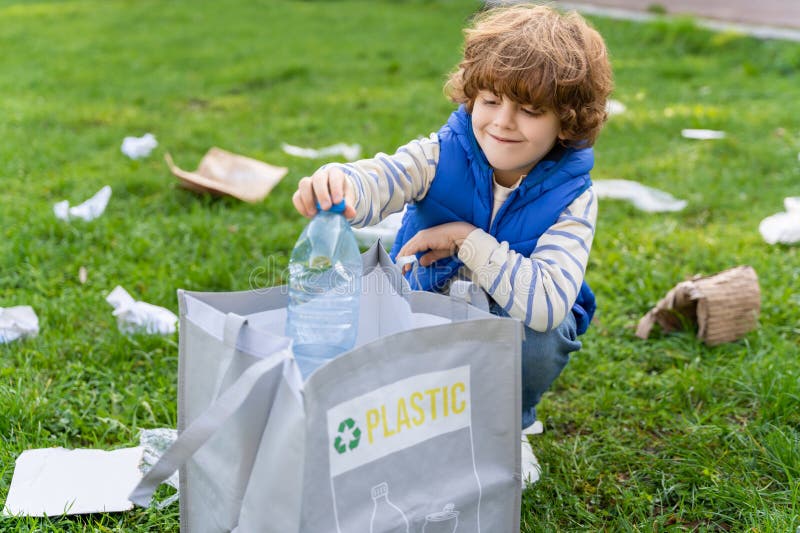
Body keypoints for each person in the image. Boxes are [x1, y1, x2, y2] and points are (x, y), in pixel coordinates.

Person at [292, 3, 613, 485]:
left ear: (567, 122)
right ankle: (411, 409)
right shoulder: (440, 154)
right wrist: (341, 183)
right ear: (470, 96)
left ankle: (508, 423)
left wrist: (466, 240)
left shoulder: (573, 197)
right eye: (490, 100)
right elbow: (383, 177)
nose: (503, 122)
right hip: (423, 312)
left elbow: (547, 306)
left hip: (509, 329)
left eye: (529, 110)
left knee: (544, 334)